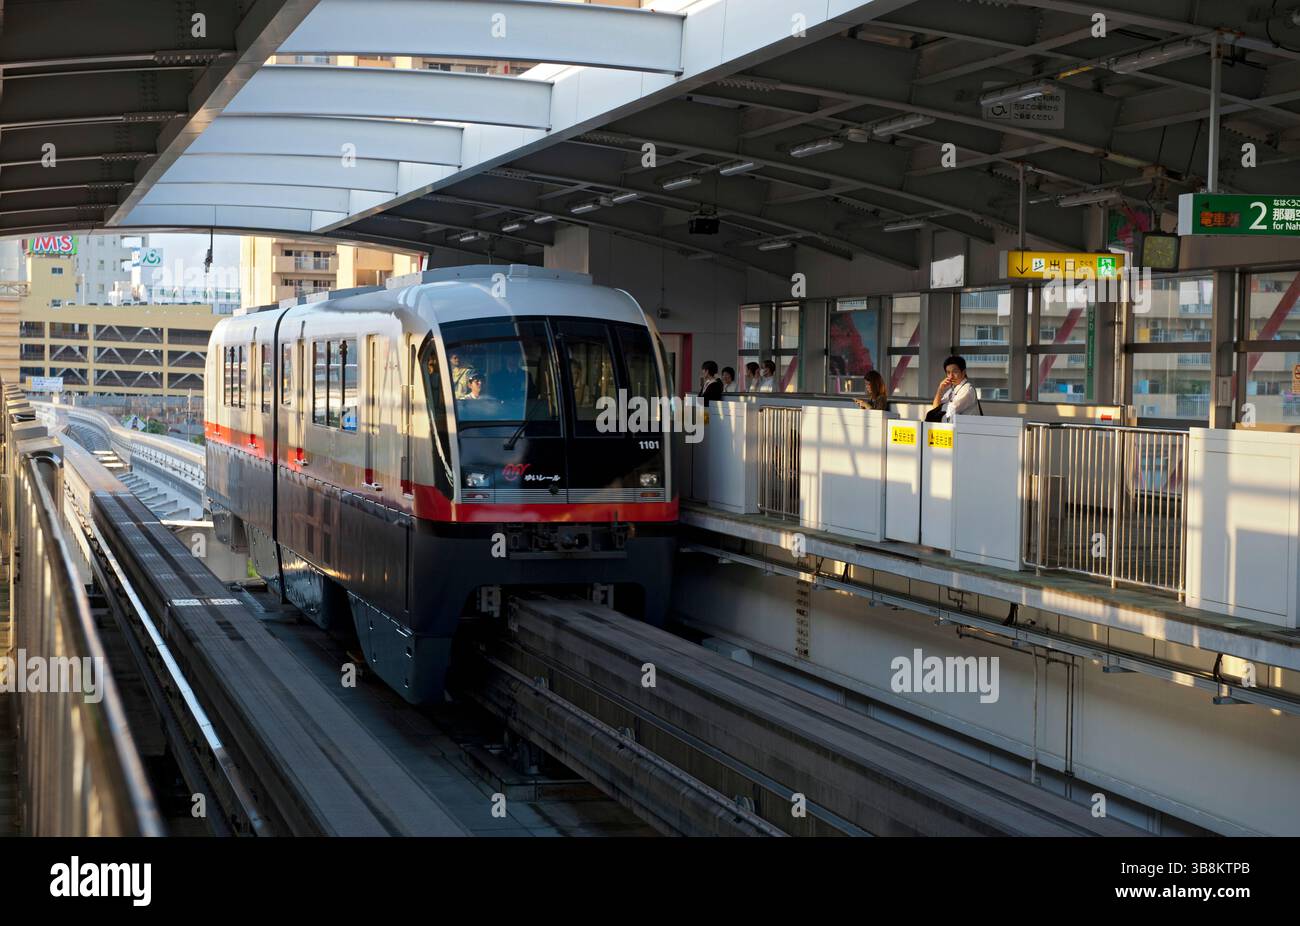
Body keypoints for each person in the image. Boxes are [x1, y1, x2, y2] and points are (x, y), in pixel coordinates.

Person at [929, 355, 979, 423]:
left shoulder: (967, 389)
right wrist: (940, 389)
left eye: (955, 372)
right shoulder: (951, 390)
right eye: (948, 372)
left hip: (965, 430)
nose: (951, 376)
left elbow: (951, 410)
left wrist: (939, 409)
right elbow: (935, 408)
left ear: (963, 372)